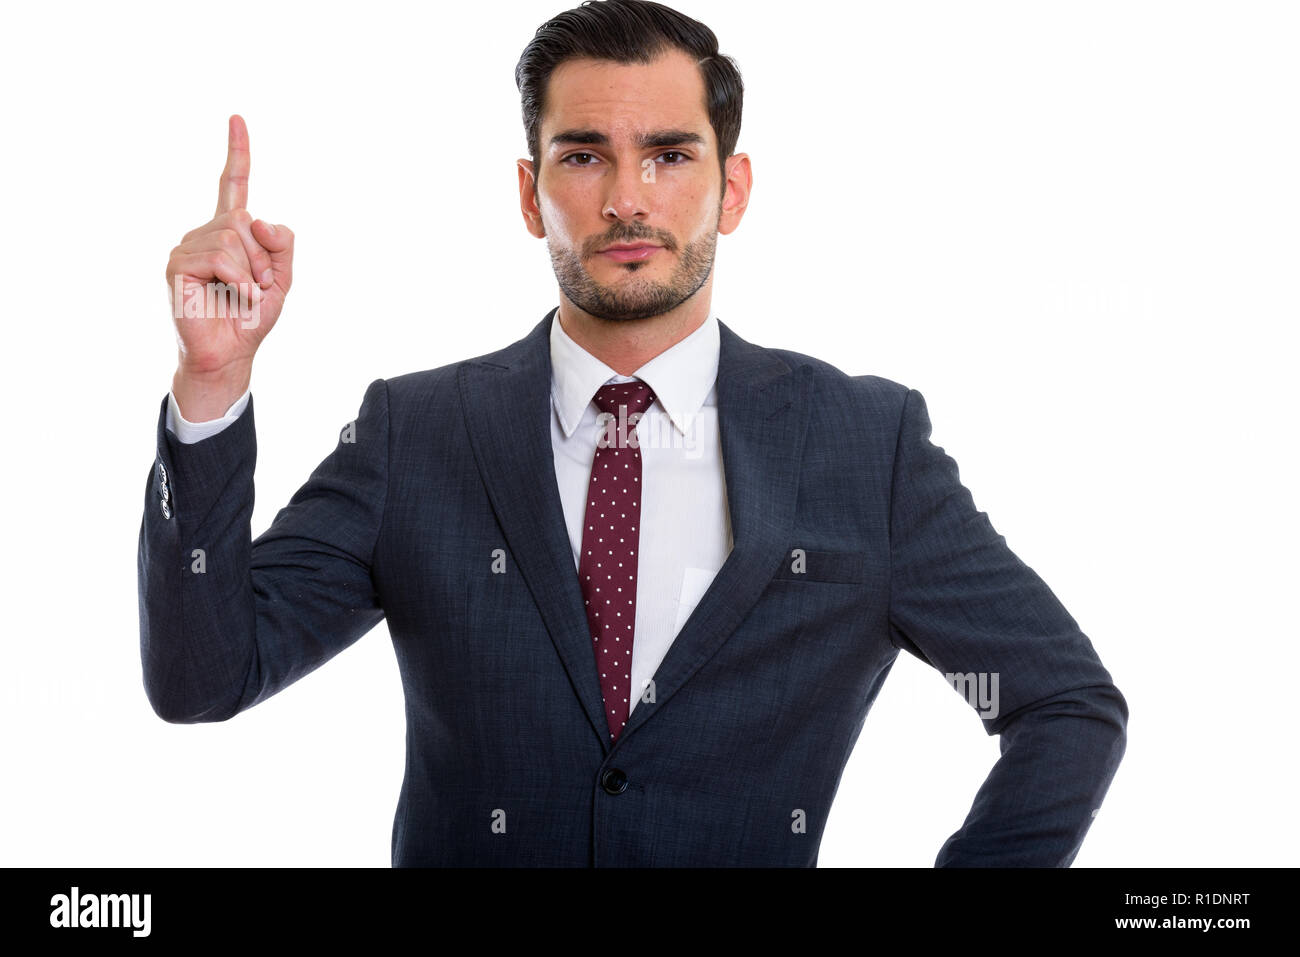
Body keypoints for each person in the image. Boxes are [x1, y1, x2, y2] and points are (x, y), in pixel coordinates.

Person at [139, 0, 1127, 867]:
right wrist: (213, 380)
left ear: (731, 189)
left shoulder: (865, 446)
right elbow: (201, 679)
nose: (625, 198)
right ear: (530, 195)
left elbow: (1058, 705)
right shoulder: (419, 431)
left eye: (668, 155)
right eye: (582, 156)